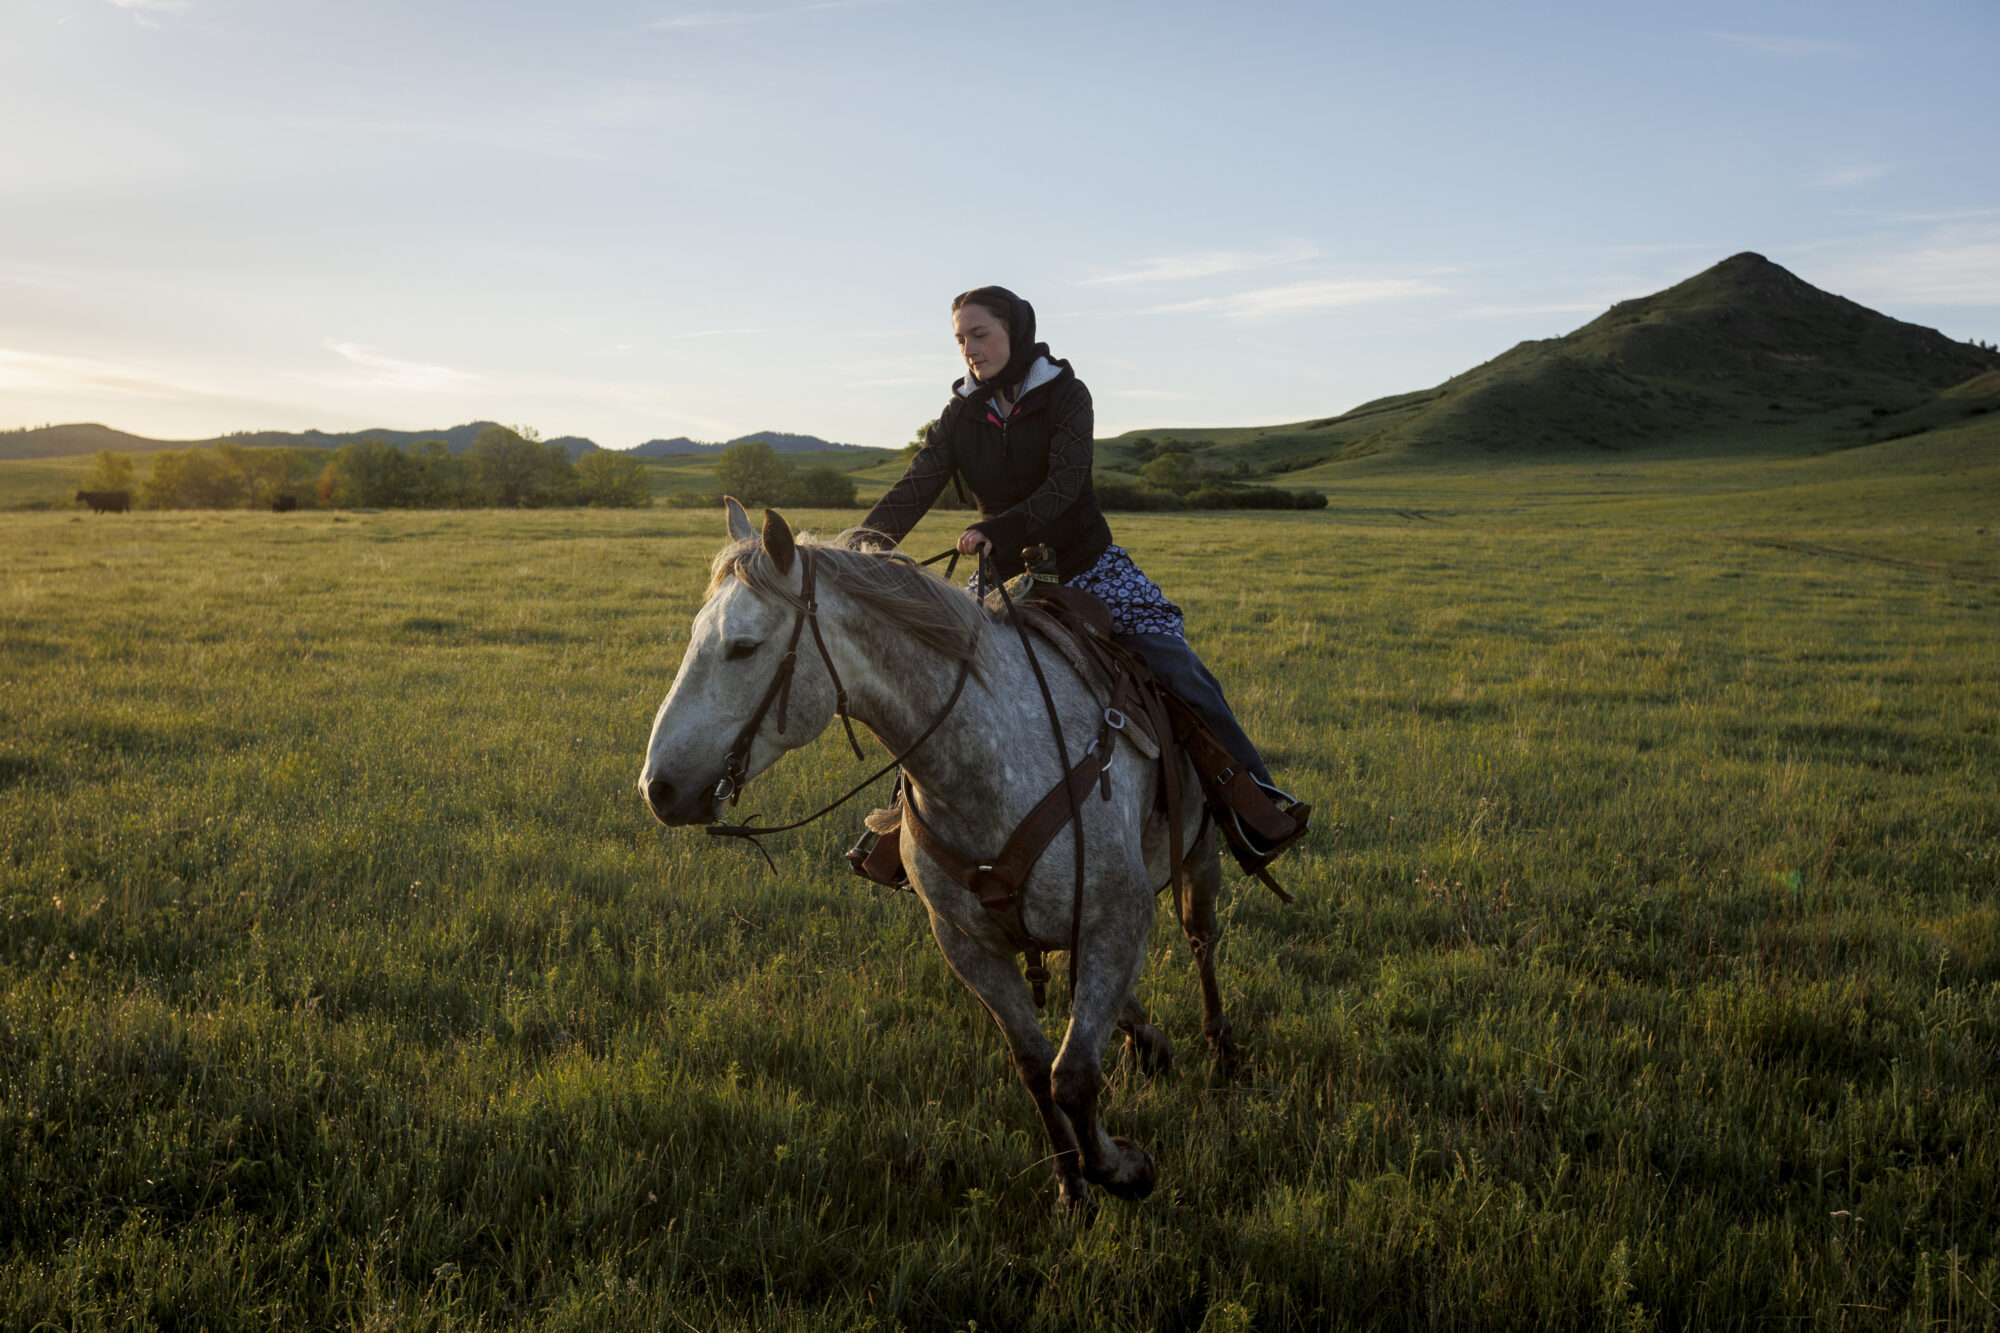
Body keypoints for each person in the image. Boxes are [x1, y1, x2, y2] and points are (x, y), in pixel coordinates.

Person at [856, 285, 1307, 871]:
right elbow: (915, 486)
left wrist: (1004, 528)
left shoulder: (1067, 394)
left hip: (1085, 566)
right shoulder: (960, 413)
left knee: (1173, 665)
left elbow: (1065, 486)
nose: (969, 348)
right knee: (940, 681)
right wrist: (857, 553)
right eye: (960, 339)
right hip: (1002, 578)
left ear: (1014, 330)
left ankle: (1254, 807)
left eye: (980, 333)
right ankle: (903, 832)